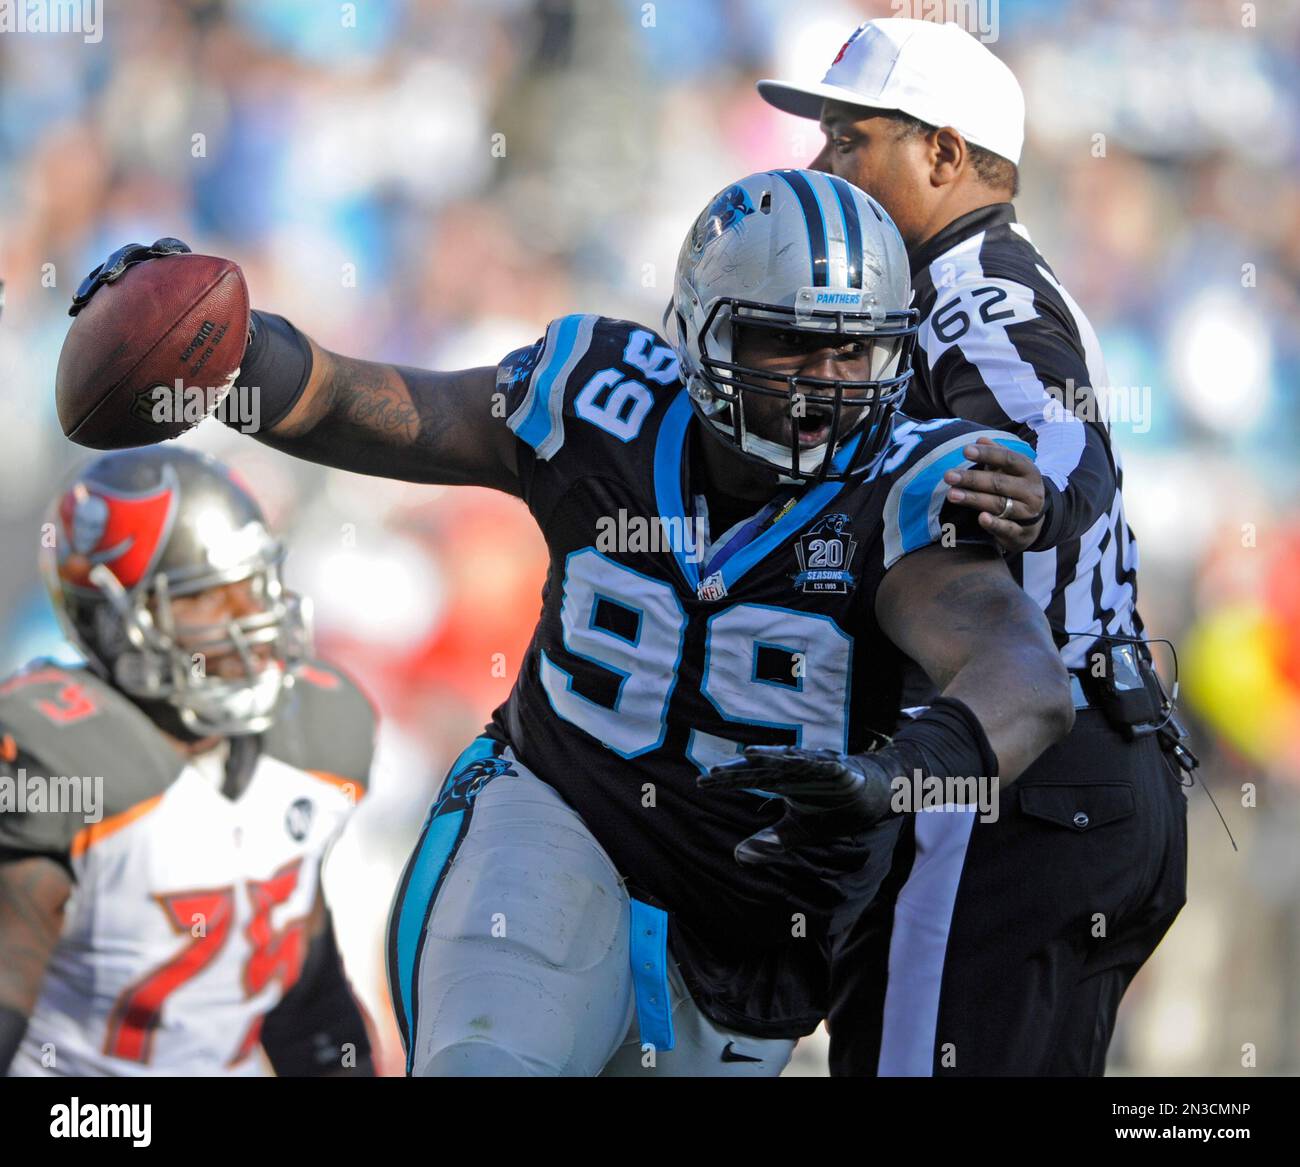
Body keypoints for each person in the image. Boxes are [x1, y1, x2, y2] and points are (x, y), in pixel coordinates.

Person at [59, 170, 1073, 1076]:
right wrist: (229, 364)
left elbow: (1024, 683)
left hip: (748, 935)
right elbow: (359, 400)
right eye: (791, 341)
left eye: (856, 348)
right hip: (557, 819)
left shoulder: (910, 484)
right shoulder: (596, 400)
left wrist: (893, 778)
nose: (827, 380)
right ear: (704, 328)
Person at [758, 17, 1190, 1075]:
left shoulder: (970, 288)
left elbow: (1050, 427)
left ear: (943, 153)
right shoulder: (964, 283)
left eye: (851, 140)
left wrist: (1040, 494)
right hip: (1093, 773)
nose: (822, 165)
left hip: (1008, 786)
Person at [0, 447, 376, 1076]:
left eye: (255, 587)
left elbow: (304, 991)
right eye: (208, 599)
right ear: (118, 621)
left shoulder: (315, 736)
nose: (251, 621)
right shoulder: (64, 762)